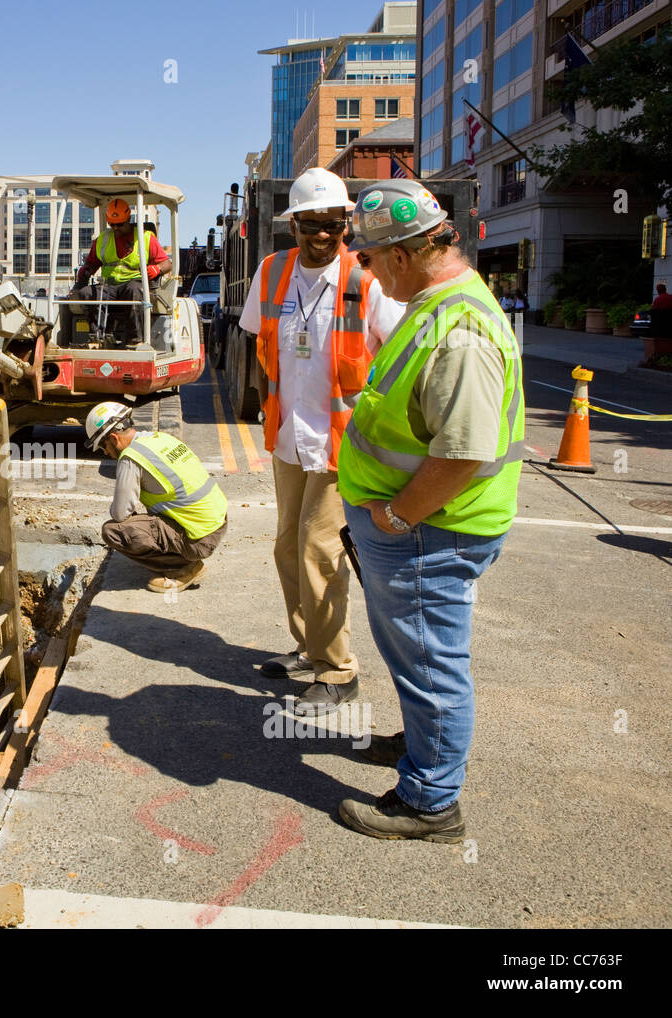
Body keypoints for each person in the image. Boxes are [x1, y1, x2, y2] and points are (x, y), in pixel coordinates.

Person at [334, 178, 524, 843]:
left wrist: (396, 518)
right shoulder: (433, 304)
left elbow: (464, 452)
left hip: (430, 533)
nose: (367, 271)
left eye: (371, 258)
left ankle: (430, 801)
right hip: (418, 531)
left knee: (432, 663)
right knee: (415, 654)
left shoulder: (460, 328)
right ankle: (425, 749)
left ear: (404, 256)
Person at [238, 166, 405, 716]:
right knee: (288, 547)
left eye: (334, 224)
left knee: (318, 549)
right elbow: (259, 350)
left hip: (343, 442)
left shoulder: (365, 281)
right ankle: (310, 649)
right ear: (294, 225)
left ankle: (338, 669)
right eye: (312, 224)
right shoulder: (273, 273)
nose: (323, 234)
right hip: (290, 437)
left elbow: (403, 355)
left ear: (346, 225)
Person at [85, 401, 227, 593]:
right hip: (217, 522)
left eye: (104, 447)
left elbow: (120, 513)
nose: (107, 453)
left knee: (113, 530)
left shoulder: (130, 458)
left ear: (114, 438)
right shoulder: (161, 438)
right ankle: (184, 557)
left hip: (199, 539)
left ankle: (184, 568)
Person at [62, 199, 170, 346]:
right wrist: (81, 282)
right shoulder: (103, 240)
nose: (116, 228)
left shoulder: (145, 238)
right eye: (112, 224)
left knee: (134, 291)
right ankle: (98, 338)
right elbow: (91, 264)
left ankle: (136, 339)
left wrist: (156, 269)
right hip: (109, 285)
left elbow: (167, 264)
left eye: (120, 224)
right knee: (87, 293)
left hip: (135, 283)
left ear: (129, 220)